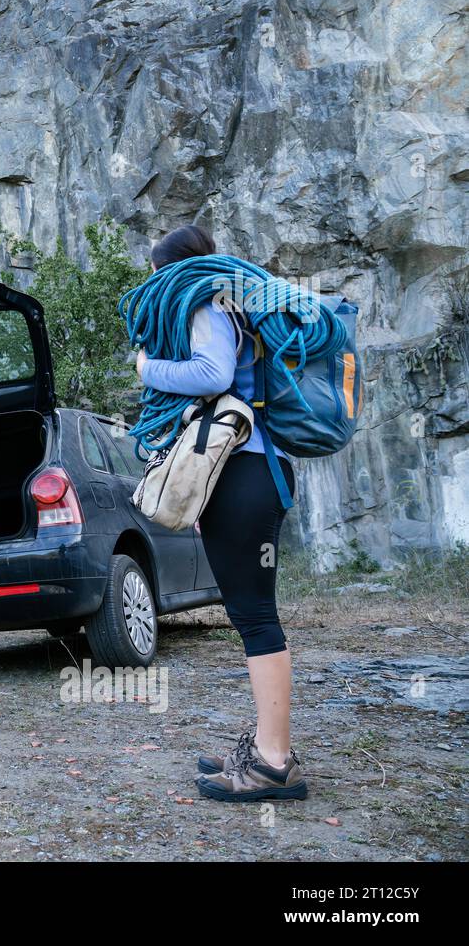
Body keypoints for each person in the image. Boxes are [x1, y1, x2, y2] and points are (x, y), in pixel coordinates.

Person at [135, 223, 306, 802]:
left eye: (159, 274)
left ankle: (274, 764)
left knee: (256, 616)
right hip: (256, 470)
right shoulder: (235, 305)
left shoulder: (204, 300)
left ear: (175, 269)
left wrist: (147, 370)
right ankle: (267, 743)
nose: (158, 285)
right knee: (248, 611)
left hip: (246, 472)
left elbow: (213, 375)